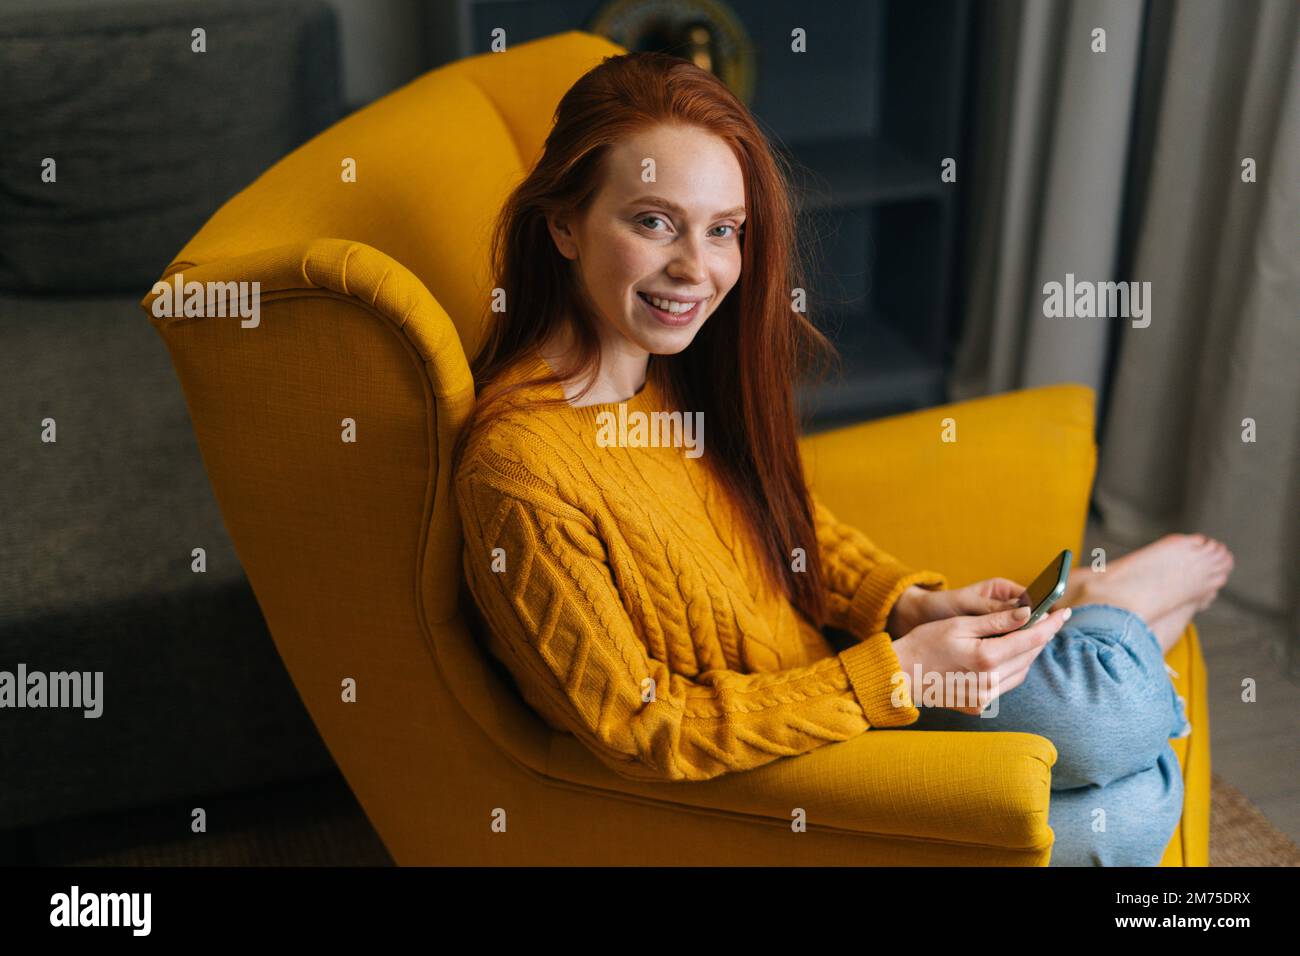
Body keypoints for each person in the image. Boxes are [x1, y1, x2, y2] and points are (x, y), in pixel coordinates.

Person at [451, 51, 1234, 866]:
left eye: (724, 230)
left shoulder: (671, 374)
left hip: (829, 692)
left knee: (1106, 744)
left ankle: (1099, 630)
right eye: (653, 221)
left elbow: (781, 526)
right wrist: (896, 675)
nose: (697, 268)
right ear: (564, 224)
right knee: (1125, 777)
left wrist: (903, 609)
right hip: (772, 780)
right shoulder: (520, 472)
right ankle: (1108, 615)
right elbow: (642, 727)